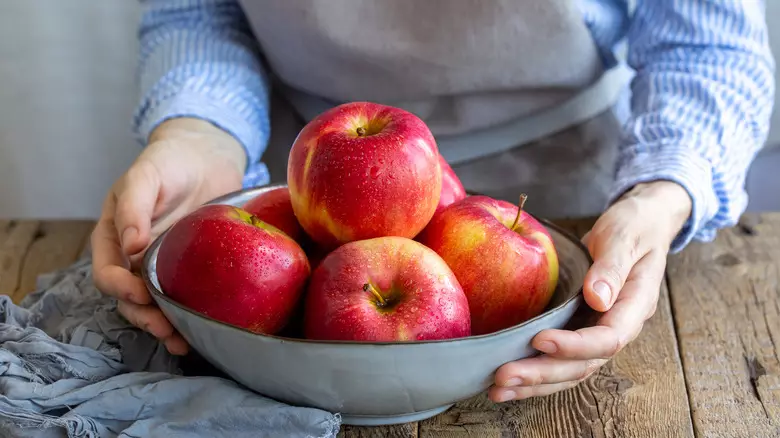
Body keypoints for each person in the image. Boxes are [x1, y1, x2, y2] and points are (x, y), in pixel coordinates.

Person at [91, 0, 775, 403]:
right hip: (306, 197)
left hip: (567, 194)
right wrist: (198, 131)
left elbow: (707, 41)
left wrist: (662, 193)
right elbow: (198, 8)